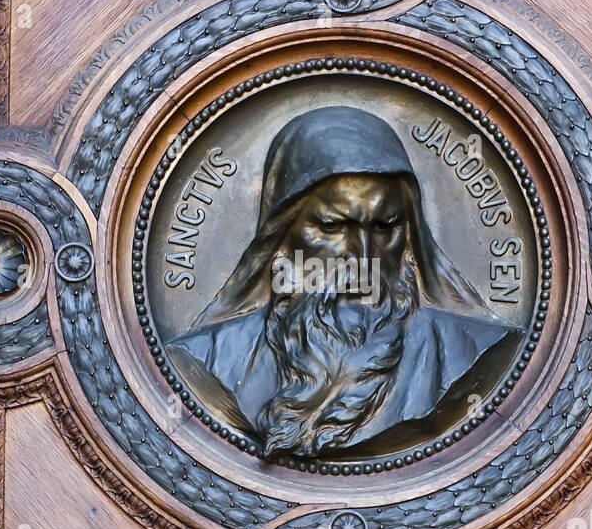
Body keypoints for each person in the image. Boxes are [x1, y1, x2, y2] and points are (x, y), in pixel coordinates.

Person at [169, 105, 518, 458]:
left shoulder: (466, 351)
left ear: (410, 239)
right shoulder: (210, 357)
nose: (363, 254)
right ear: (281, 236)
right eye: (332, 227)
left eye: (385, 227)